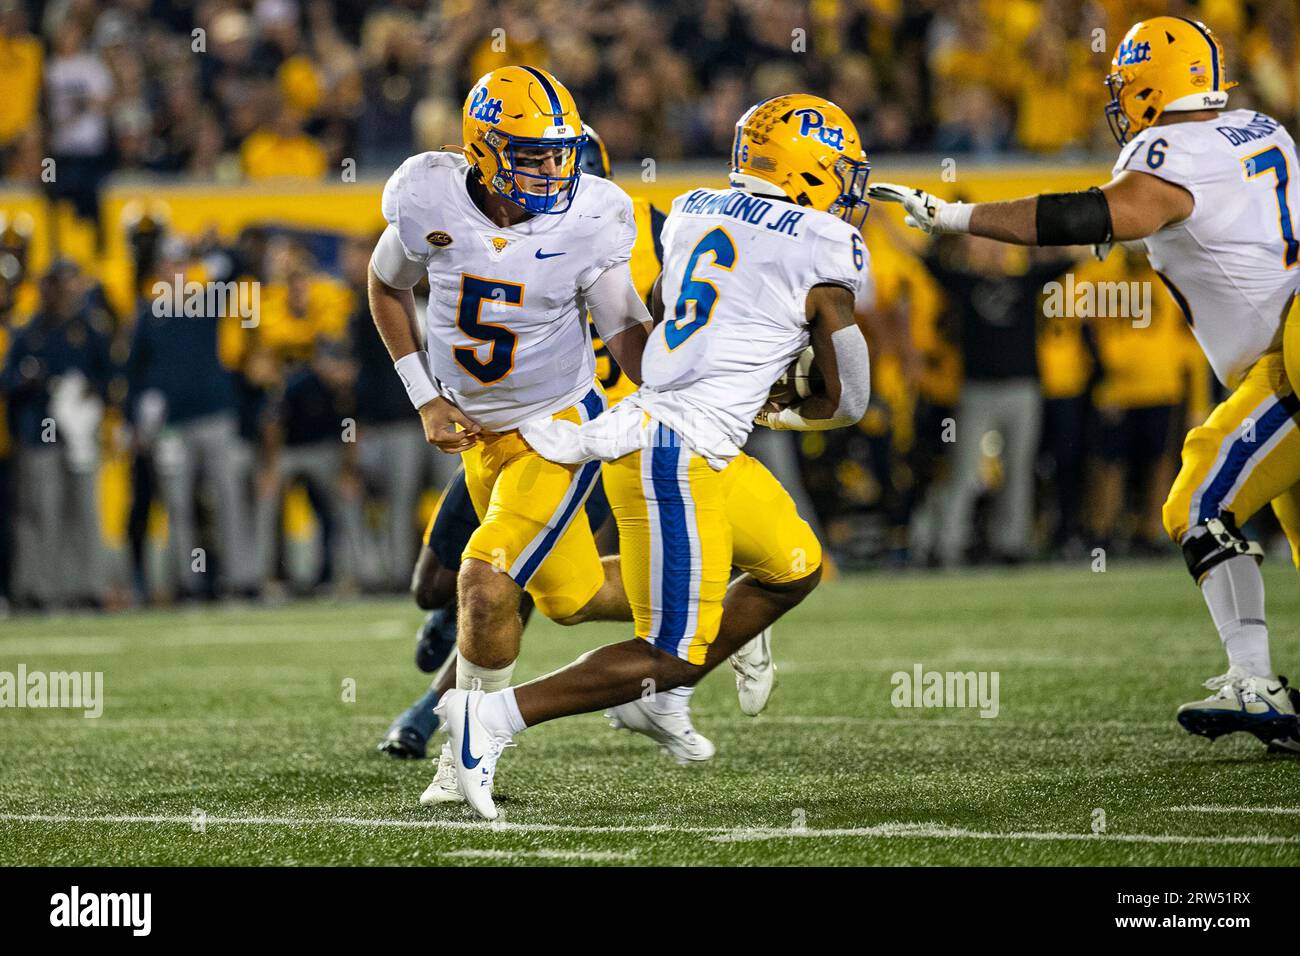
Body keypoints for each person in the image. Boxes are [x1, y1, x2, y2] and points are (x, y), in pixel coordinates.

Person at [435, 93, 873, 820]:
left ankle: (667, 684)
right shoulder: (828, 244)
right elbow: (850, 399)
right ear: (812, 171)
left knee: (795, 563)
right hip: (675, 448)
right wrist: (789, 405)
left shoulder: (698, 206)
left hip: (680, 433)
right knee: (667, 645)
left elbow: (669, 310)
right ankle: (491, 717)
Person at [870, 16, 1300, 751]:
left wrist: (955, 217)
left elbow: (1099, 212)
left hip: (1285, 362)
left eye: (1127, 86)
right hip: (1280, 347)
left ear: (1150, 87)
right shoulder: (1262, 127)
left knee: (1197, 499)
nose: (1120, 102)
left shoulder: (1166, 149)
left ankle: (1255, 682)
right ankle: (1262, 691)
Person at [366, 67, 655, 807]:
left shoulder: (596, 212)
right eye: (532, 154)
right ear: (484, 148)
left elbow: (625, 329)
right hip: (477, 439)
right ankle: (710, 588)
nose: (555, 168)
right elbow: (385, 283)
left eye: (560, 152)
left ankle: (466, 751)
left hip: (557, 428)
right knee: (572, 595)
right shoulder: (426, 192)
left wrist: (687, 380)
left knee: (485, 583)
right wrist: (424, 398)